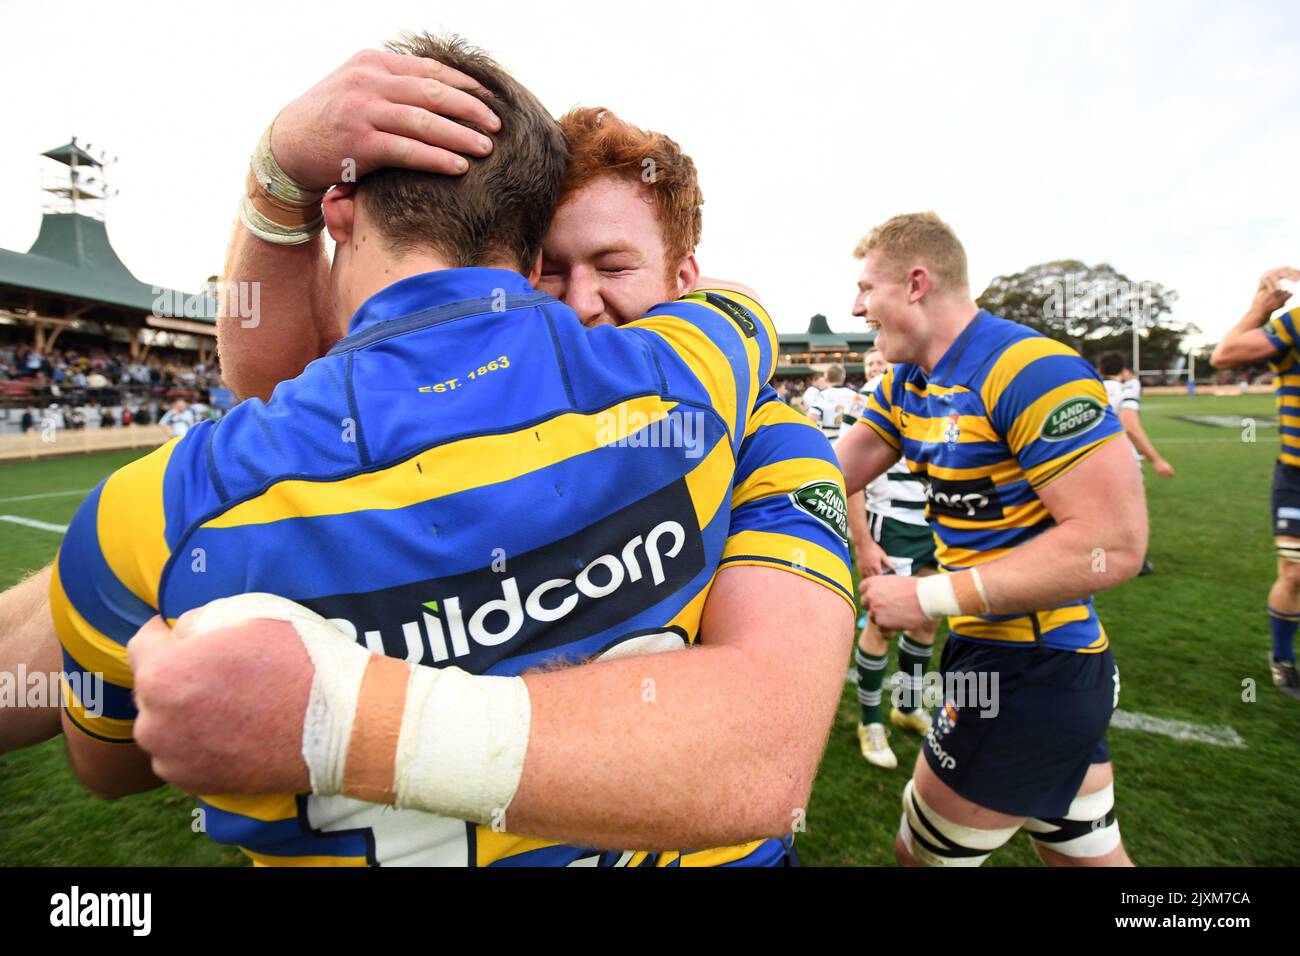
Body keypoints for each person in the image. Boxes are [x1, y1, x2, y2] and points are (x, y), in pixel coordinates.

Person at [4, 35, 852, 868]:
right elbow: (276, 379)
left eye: (615, 266)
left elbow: (762, 759)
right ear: (519, 263)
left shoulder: (759, 428)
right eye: (553, 269)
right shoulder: (708, 366)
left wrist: (342, 720)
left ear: (682, 282)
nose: (583, 303)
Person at [835, 211, 1147, 866]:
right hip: (1004, 662)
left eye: (867, 288)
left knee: (917, 854)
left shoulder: (1029, 368)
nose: (856, 306)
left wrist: (926, 599)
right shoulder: (904, 384)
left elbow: (1113, 544)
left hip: (1032, 672)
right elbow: (827, 475)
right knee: (1086, 858)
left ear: (915, 283)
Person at [1210, 265, 1300, 699]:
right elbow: (1224, 354)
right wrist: (1258, 308)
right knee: (1294, 570)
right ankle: (1283, 658)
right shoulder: (1296, 325)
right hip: (1296, 474)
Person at [848, 347, 940, 769]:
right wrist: (864, 543)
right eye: (872, 361)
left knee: (927, 618)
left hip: (936, 523)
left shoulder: (946, 389)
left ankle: (906, 705)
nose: (878, 365)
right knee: (883, 623)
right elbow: (848, 478)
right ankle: (870, 721)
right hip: (894, 526)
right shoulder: (871, 396)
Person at [1096, 350, 1173, 576]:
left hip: (1088, 456)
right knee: (1130, 508)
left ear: (1099, 369)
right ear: (1123, 370)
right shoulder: (1125, 389)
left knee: (1097, 507)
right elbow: (1129, 424)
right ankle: (1134, 561)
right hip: (1119, 458)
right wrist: (1157, 459)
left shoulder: (1090, 387)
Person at [807, 363, 858, 440]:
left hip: (828, 441)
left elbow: (810, 421)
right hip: (849, 440)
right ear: (843, 377)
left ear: (826, 378)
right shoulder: (854, 395)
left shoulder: (822, 395)